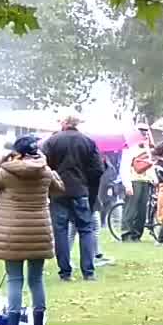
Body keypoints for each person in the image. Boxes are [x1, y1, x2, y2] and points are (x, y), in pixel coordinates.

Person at [0, 135, 62, 325]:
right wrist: (47, 167)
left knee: (14, 279)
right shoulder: (45, 171)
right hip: (39, 230)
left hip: (12, 232)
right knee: (36, 278)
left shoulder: (5, 173)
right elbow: (59, 189)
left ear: (17, 153)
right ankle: (39, 324)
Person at [42, 115, 104, 282]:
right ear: (77, 124)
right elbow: (98, 169)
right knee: (86, 229)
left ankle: (65, 272)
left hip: (58, 191)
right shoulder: (88, 142)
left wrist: (50, 185)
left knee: (60, 231)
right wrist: (88, 186)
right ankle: (89, 272)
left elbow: (43, 166)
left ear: (64, 123)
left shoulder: (51, 142)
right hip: (80, 190)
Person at [120, 125, 156, 242]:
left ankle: (137, 234)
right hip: (133, 180)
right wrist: (127, 184)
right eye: (142, 132)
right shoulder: (129, 148)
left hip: (145, 181)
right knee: (130, 209)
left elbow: (150, 166)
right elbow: (124, 167)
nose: (145, 134)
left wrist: (154, 179)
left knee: (142, 211)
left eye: (146, 132)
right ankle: (126, 234)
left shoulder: (147, 149)